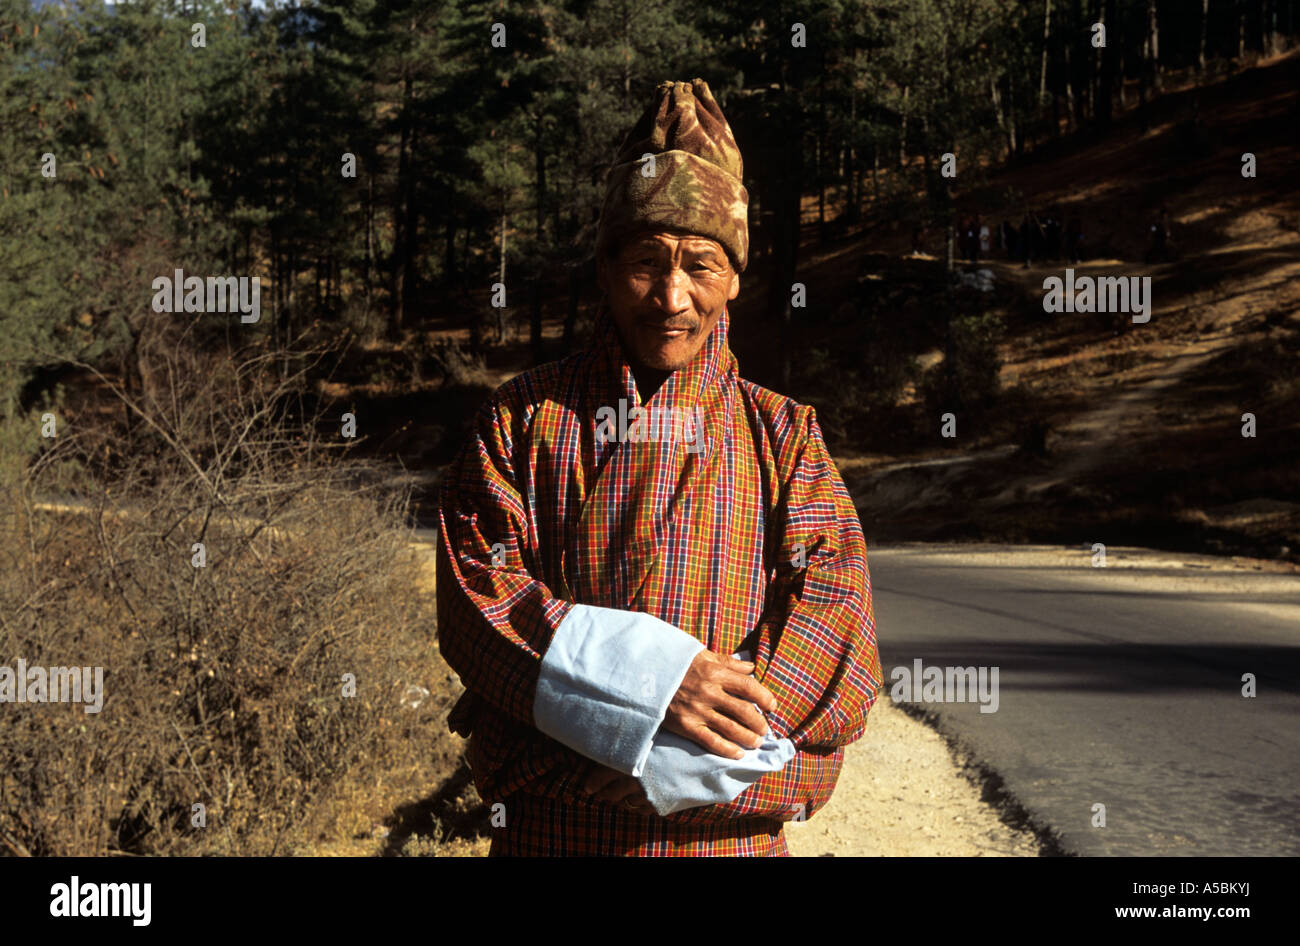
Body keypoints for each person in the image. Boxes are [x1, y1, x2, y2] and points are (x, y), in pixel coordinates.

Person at [435, 78, 884, 856]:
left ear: (736, 278)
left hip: (728, 841)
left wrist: (691, 753)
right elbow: (477, 600)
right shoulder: (521, 420)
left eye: (701, 265)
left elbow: (838, 623)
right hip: (557, 837)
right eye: (647, 261)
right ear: (606, 269)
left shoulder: (785, 436)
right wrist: (655, 685)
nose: (672, 297)